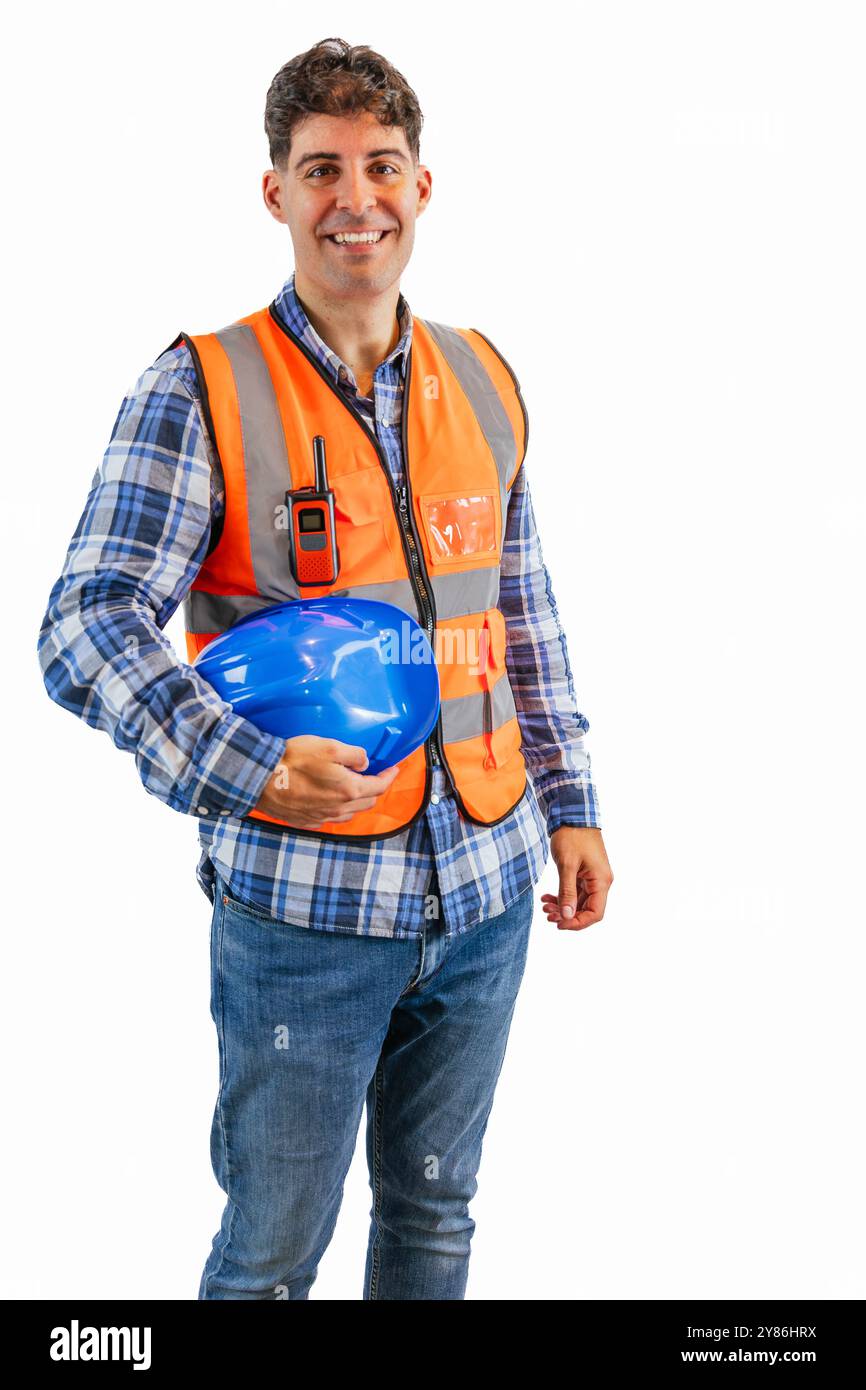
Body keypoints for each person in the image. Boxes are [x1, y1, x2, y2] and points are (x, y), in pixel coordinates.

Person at [37, 36, 614, 1300]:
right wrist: (240, 766)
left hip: (482, 890)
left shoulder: (482, 374)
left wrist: (567, 804)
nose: (355, 197)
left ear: (421, 186)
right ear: (276, 193)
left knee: (436, 1218)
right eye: (321, 169)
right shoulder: (200, 386)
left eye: (381, 166)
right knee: (269, 1253)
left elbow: (519, 607)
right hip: (305, 913)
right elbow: (85, 620)